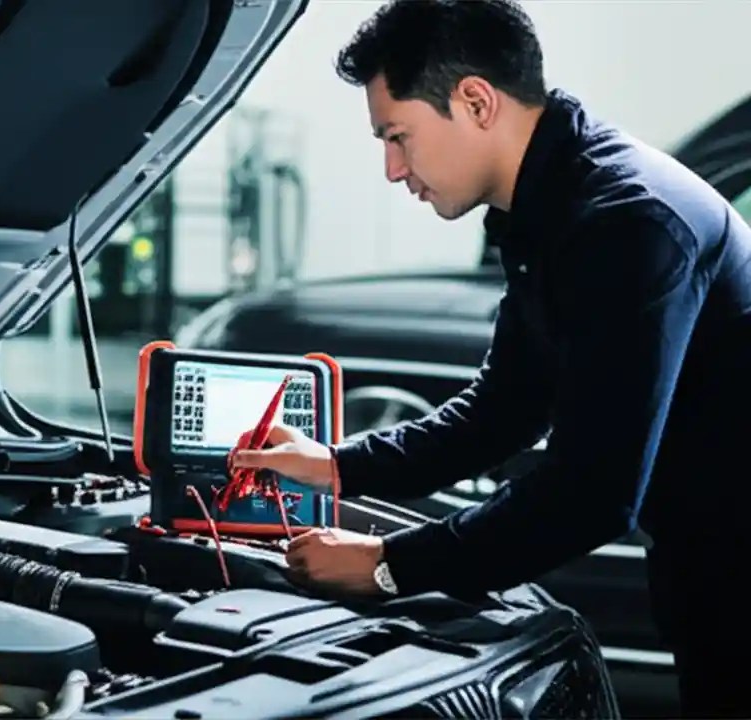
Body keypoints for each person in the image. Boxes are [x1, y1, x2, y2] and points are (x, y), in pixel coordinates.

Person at [228, 1, 751, 717]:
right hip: (708, 564)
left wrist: (388, 567)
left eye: (398, 136)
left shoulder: (626, 220)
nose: (390, 169)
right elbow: (503, 410)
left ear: (475, 101)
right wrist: (335, 465)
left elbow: (593, 492)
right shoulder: (552, 210)